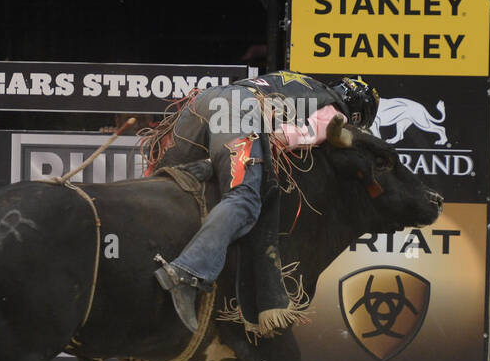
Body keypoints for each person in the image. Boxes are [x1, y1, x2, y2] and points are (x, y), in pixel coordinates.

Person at [146, 72, 378, 334]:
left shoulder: (303, 84)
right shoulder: (337, 111)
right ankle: (187, 271)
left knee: (163, 187)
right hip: (238, 108)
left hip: (201, 104)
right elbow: (294, 135)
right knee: (244, 197)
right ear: (358, 114)